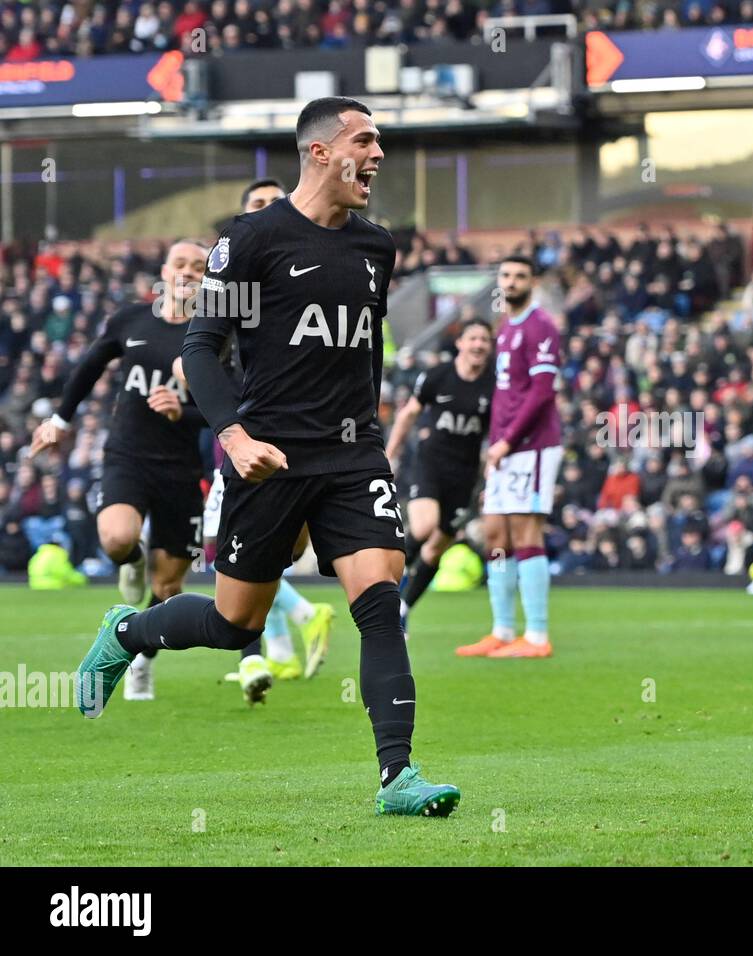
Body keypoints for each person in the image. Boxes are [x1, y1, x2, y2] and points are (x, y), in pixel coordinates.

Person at [73, 96, 460, 817]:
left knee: (380, 604)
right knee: (234, 627)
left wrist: (369, 438)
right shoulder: (254, 241)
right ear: (318, 151)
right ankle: (127, 630)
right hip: (267, 458)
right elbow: (203, 348)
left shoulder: (377, 248)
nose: (378, 155)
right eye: (365, 141)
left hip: (352, 460)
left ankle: (397, 776)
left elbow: (362, 359)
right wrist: (235, 436)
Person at [30, 239, 210, 702]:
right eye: (180, 264)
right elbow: (90, 367)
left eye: (198, 266)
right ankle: (129, 560)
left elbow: (228, 410)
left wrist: (182, 412)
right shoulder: (131, 320)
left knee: (168, 585)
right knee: (116, 537)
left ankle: (140, 657)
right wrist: (58, 420)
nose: (188, 272)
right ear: (165, 272)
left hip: (182, 468)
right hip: (128, 454)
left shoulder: (215, 334)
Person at [181, 177, 336, 703]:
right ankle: (277, 652)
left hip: (270, 438)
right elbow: (203, 356)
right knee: (246, 553)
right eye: (257, 206)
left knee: (228, 551)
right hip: (231, 436)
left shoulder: (308, 276)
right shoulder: (238, 283)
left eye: (276, 203)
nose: (269, 213)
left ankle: (299, 617)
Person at [455, 256, 562, 659]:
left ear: (532, 282)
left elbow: (541, 392)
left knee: (525, 531)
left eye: (520, 276)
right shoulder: (505, 328)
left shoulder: (541, 327)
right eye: (505, 275)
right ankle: (502, 629)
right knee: (496, 534)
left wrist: (508, 441)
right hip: (503, 448)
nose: (512, 281)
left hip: (533, 446)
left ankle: (536, 636)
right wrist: (495, 443)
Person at [385, 318, 493, 632]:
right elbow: (408, 415)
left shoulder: (492, 385)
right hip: (431, 465)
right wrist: (389, 455)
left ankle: (403, 608)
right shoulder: (437, 377)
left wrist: (489, 480)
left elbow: (495, 435)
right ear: (460, 343)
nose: (478, 345)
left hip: (465, 477)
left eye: (484, 340)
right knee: (423, 526)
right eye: (472, 338)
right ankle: (383, 589)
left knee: (436, 548)